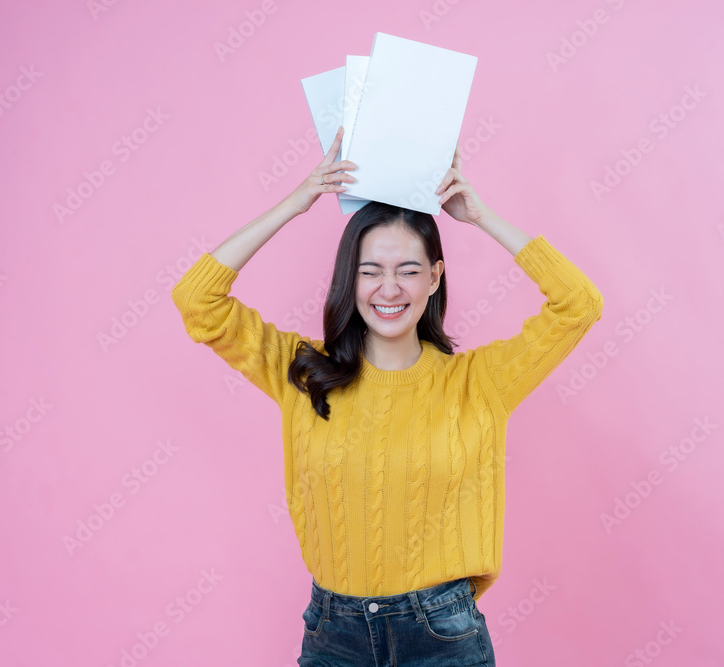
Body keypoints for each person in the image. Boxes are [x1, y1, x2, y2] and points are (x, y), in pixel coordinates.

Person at [170, 126, 603, 665]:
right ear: (349, 279)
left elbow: (579, 304)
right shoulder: (303, 372)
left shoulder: (480, 383)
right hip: (333, 633)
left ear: (435, 278)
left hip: (442, 636)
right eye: (370, 271)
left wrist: (480, 216)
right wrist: (295, 203)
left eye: (409, 271)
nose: (389, 288)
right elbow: (197, 300)